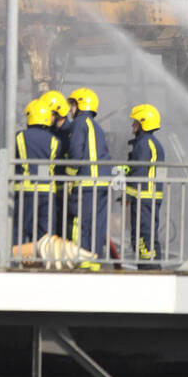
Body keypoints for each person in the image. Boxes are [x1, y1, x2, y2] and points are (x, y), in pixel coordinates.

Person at [64, 87, 112, 261]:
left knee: (79, 221)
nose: (70, 109)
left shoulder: (79, 123)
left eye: (73, 105)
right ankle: (93, 260)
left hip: (86, 184)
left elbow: (76, 153)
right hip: (102, 183)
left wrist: (68, 177)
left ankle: (79, 258)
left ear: (81, 105)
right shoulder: (96, 126)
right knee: (96, 225)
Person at [13, 99, 61, 246]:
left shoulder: (19, 137)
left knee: (20, 230)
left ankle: (15, 261)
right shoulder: (55, 141)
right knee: (45, 234)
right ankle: (43, 264)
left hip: (24, 191)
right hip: (47, 193)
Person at [125, 103, 165, 265]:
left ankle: (148, 267)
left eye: (135, 122)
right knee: (146, 234)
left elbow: (138, 171)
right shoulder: (147, 143)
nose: (132, 125)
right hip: (147, 196)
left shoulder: (144, 144)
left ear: (144, 123)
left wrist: (126, 194)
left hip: (144, 196)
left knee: (143, 235)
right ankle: (151, 264)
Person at [36, 89, 72, 237]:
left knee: (64, 230)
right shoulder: (49, 132)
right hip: (49, 191)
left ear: (57, 113)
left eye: (48, 113)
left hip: (66, 193)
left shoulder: (70, 134)